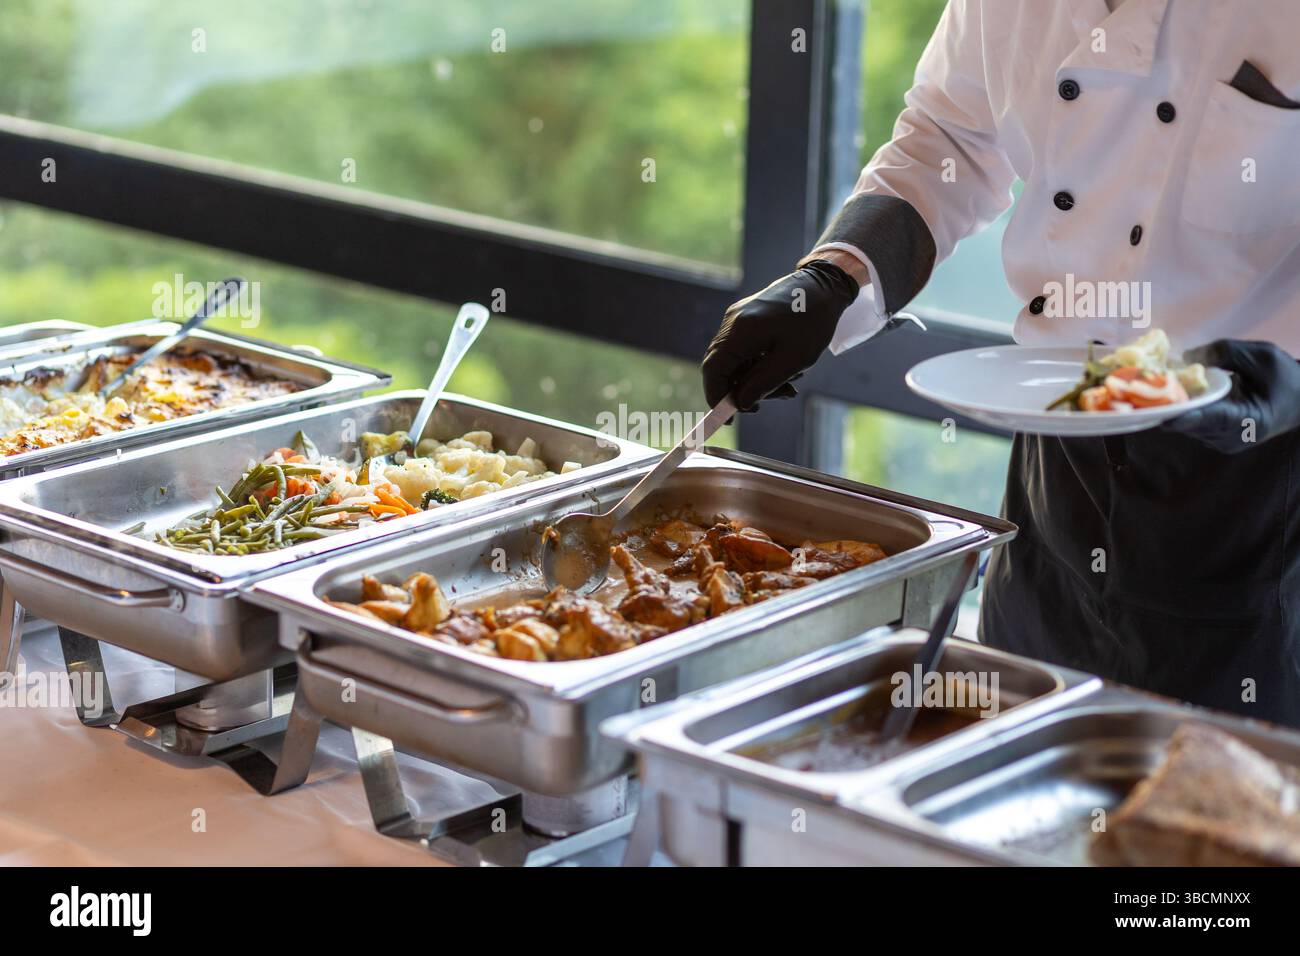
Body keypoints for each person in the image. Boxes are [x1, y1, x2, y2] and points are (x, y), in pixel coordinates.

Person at [701, 0, 1300, 727]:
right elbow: (948, 135)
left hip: (1261, 502)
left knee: (1219, 817)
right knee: (1016, 779)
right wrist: (833, 280)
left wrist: (1289, 381)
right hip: (1056, 484)